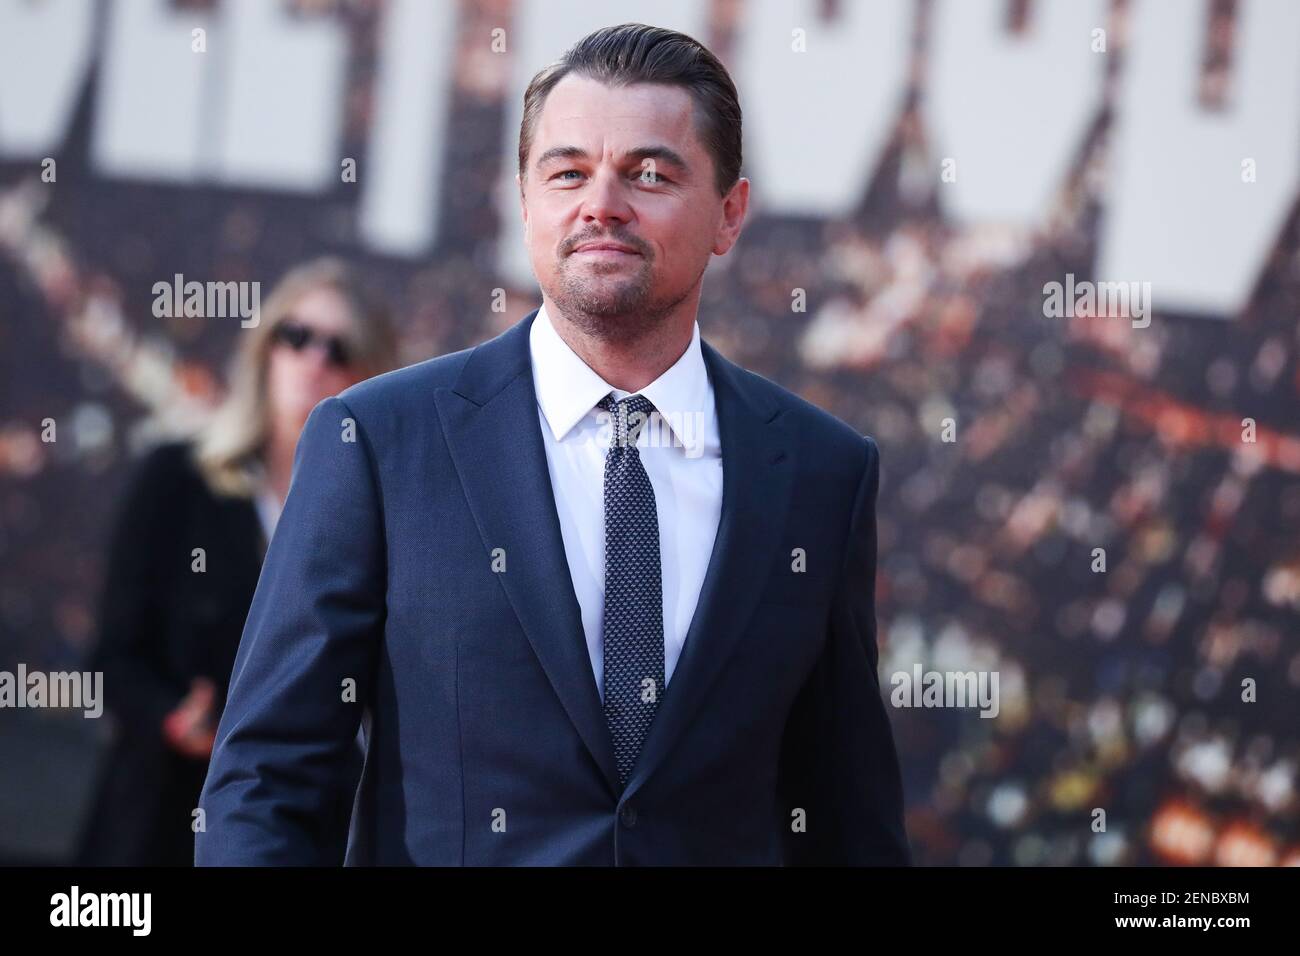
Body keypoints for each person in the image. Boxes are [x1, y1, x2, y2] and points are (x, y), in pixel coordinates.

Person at [197, 23, 909, 866]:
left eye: (649, 174)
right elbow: (269, 778)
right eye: (568, 172)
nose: (601, 203)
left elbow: (844, 813)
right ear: (523, 202)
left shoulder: (823, 474)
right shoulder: (380, 443)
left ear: (729, 214)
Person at [79, 258, 399, 866]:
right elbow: (113, 656)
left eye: (340, 348)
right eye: (296, 336)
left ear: (371, 371)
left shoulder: (384, 510)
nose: (313, 361)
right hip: (160, 819)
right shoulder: (178, 478)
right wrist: (174, 715)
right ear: (266, 347)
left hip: (307, 829)